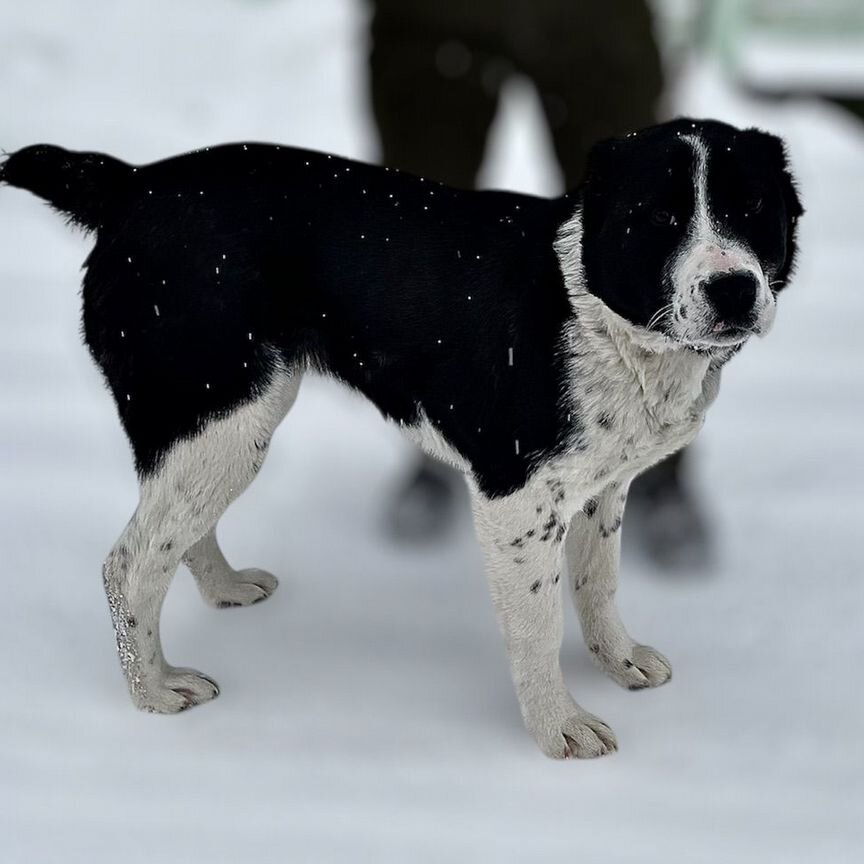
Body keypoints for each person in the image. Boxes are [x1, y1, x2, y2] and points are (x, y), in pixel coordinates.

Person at [367, 0, 710, 566]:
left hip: (595, 20)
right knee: (421, 239)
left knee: (639, 228)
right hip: (429, 21)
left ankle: (657, 464)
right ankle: (437, 435)